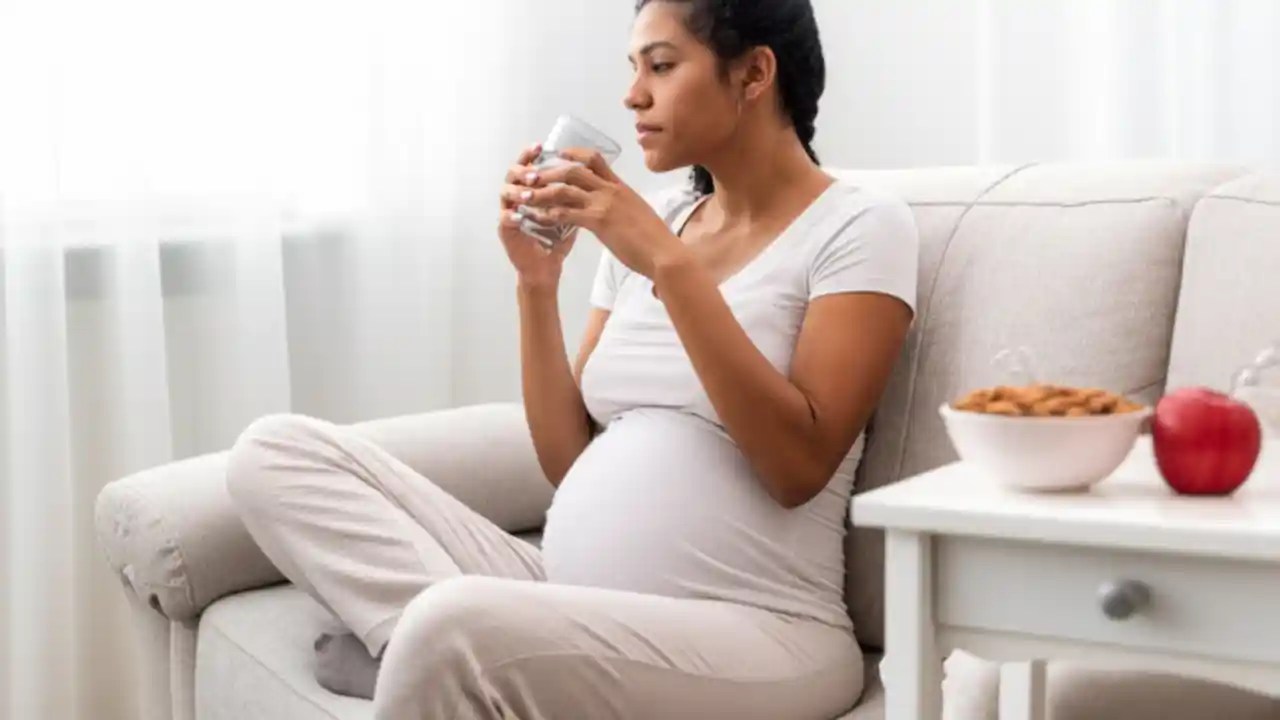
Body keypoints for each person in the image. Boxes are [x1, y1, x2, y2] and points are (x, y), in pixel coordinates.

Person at [225, 0, 918, 717]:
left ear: (753, 74)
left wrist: (665, 262)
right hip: (570, 599)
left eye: (661, 65)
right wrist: (536, 282)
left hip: (764, 630)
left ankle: (432, 654)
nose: (632, 94)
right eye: (633, 68)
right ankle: (450, 658)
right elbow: (571, 462)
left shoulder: (859, 226)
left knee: (450, 623)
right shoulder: (657, 222)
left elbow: (796, 466)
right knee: (273, 455)